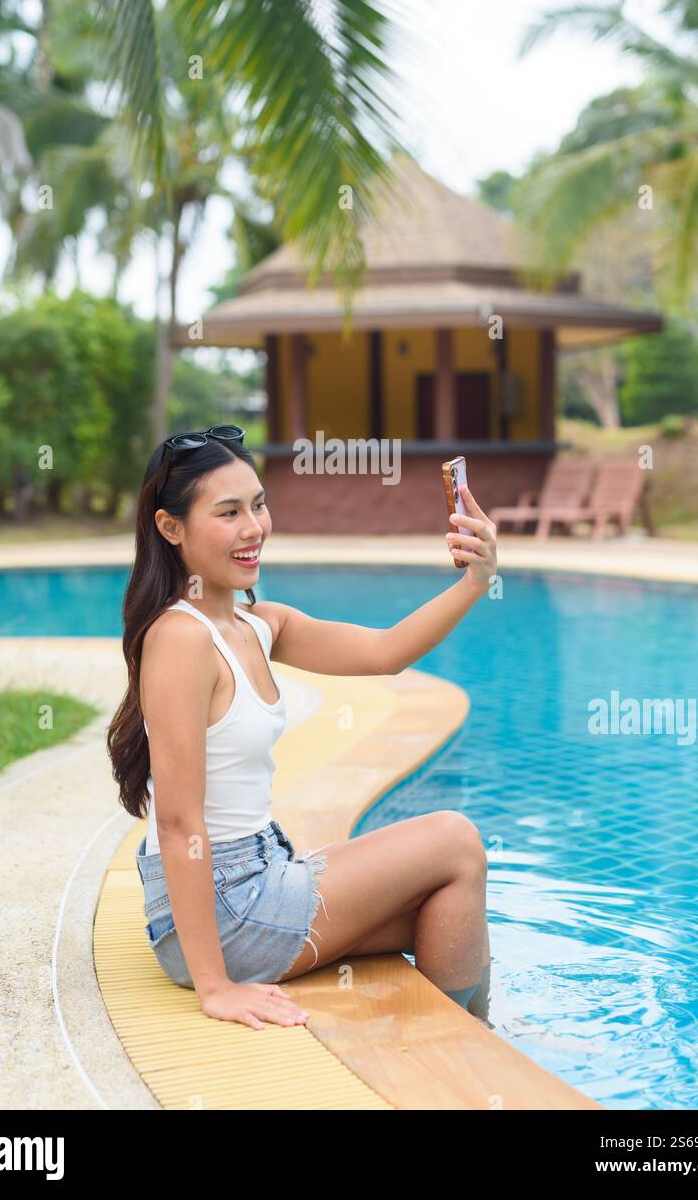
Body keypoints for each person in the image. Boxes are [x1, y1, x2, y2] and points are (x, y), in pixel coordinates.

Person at [107, 424, 497, 1032]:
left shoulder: (257, 624)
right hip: (224, 907)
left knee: (448, 904)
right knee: (454, 838)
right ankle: (461, 1046)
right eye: (228, 512)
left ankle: (473, 1044)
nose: (253, 528)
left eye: (258, 505)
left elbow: (385, 652)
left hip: (264, 875)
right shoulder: (181, 639)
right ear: (170, 528)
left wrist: (474, 581)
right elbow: (180, 821)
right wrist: (215, 988)